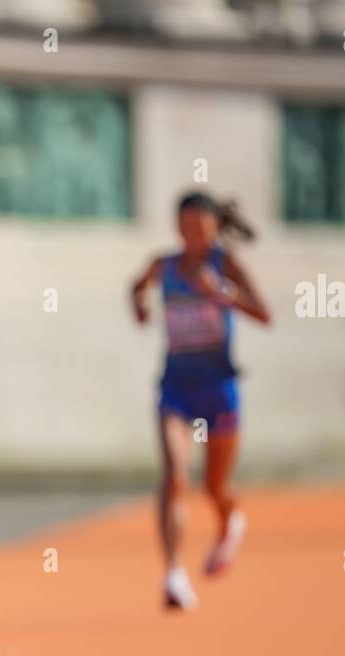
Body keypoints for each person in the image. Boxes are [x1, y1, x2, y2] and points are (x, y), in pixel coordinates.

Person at [131, 192, 271, 611]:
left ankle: (232, 517)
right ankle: (174, 574)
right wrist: (139, 306)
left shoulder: (225, 264)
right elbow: (137, 287)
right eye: (184, 226)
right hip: (176, 386)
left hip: (219, 388)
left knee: (215, 485)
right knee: (176, 476)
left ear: (214, 228)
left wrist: (223, 293)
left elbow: (265, 314)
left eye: (200, 227)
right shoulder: (165, 265)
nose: (191, 234)